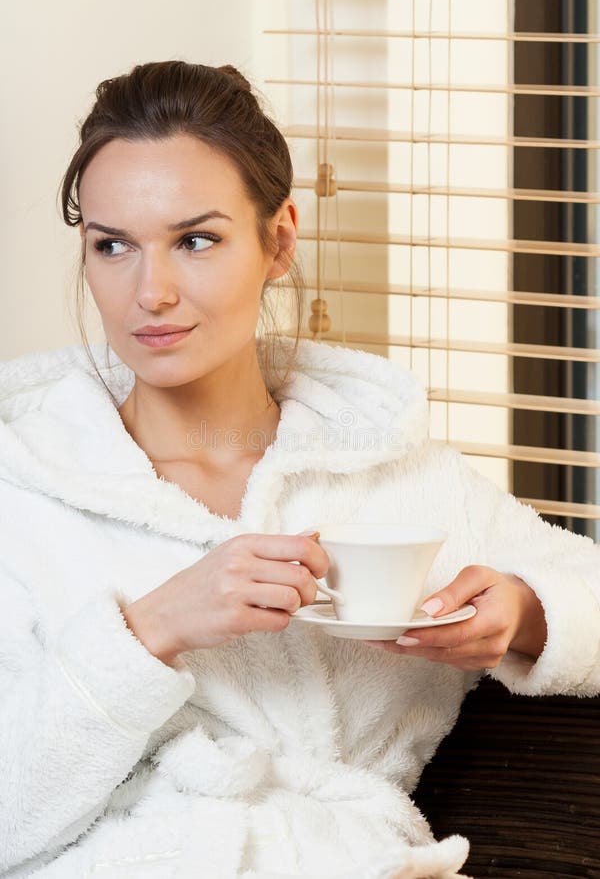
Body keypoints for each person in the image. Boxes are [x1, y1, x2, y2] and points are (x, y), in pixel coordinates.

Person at [0, 60, 598, 879]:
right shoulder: (26, 494)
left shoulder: (387, 469)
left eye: (196, 240)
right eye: (114, 247)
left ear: (278, 240)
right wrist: (152, 631)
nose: (152, 292)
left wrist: (526, 615)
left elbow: (586, 594)